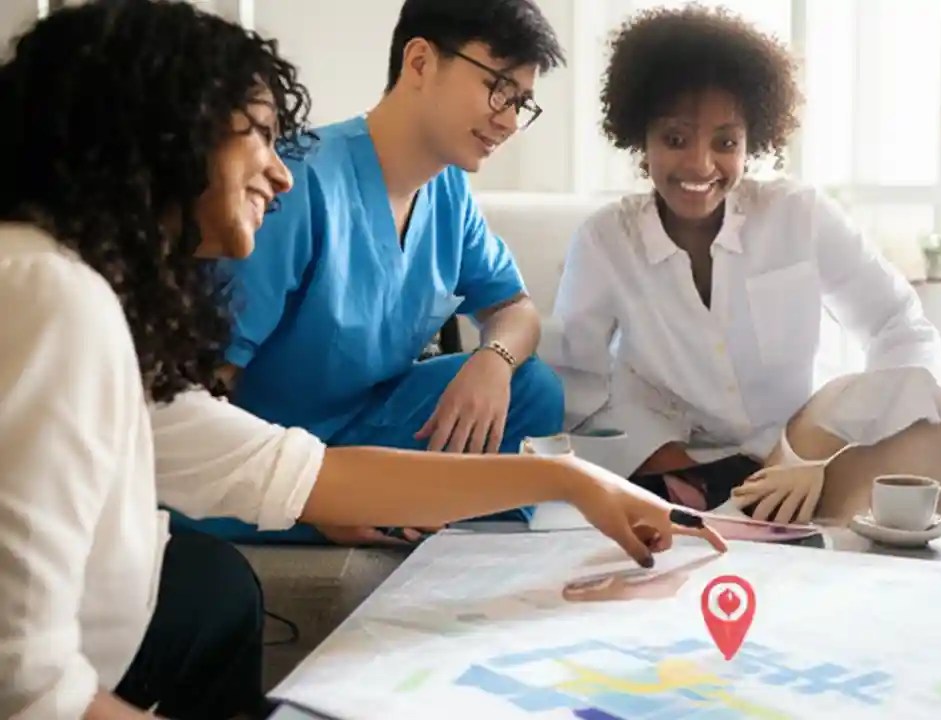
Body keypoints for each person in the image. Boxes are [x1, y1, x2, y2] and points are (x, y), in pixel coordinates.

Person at [0, 3, 725, 718]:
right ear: (161, 143)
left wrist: (569, 473)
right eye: (256, 137)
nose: (277, 175)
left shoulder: (76, 295)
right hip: (268, 432)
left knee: (214, 585)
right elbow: (25, 686)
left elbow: (277, 463)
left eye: (521, 102)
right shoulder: (50, 293)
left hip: (315, 445)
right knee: (214, 572)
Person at [546, 5, 941, 523]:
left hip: (798, 461)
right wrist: (665, 461)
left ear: (751, 141)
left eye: (725, 142)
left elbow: (903, 328)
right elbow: (574, 384)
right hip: (670, 472)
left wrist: (821, 449)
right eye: (675, 139)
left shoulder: (799, 216)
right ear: (641, 141)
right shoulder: (605, 241)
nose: (700, 165)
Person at [195, 0, 567, 546]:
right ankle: (343, 511)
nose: (509, 120)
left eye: (522, 102)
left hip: (371, 428)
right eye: (498, 88)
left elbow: (515, 309)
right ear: (419, 62)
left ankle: (421, 525)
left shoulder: (448, 192)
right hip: (268, 444)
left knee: (532, 388)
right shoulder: (296, 183)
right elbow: (203, 390)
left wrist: (495, 359)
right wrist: (309, 503)